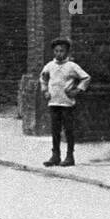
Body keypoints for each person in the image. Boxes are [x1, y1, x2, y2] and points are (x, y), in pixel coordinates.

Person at [40, 37, 90, 168]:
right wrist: (45, 90)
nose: (58, 54)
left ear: (67, 52)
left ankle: (70, 156)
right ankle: (55, 155)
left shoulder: (72, 66)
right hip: (53, 102)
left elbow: (86, 78)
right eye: (56, 51)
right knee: (55, 130)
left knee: (68, 130)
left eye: (62, 51)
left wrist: (77, 90)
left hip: (67, 103)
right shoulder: (49, 66)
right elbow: (43, 78)